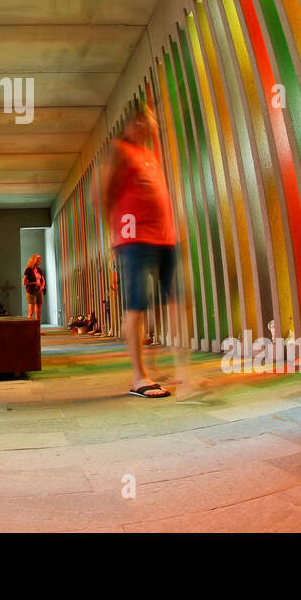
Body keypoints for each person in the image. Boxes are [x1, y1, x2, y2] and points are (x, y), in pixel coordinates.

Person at [104, 105, 192, 399]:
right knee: (137, 306)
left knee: (177, 300)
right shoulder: (119, 149)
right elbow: (102, 192)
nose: (153, 124)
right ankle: (138, 376)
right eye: (148, 119)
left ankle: (180, 367)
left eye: (153, 120)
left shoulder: (149, 154)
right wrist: (113, 236)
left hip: (164, 239)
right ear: (135, 122)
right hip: (134, 240)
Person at [23, 254, 45, 323]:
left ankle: (38, 330)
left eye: (40, 261)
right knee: (31, 312)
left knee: (38, 313)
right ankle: (29, 330)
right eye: (38, 261)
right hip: (31, 292)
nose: (39, 262)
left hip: (39, 291)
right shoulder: (28, 270)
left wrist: (42, 286)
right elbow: (24, 282)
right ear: (34, 261)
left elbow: (43, 280)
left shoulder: (39, 269)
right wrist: (34, 283)